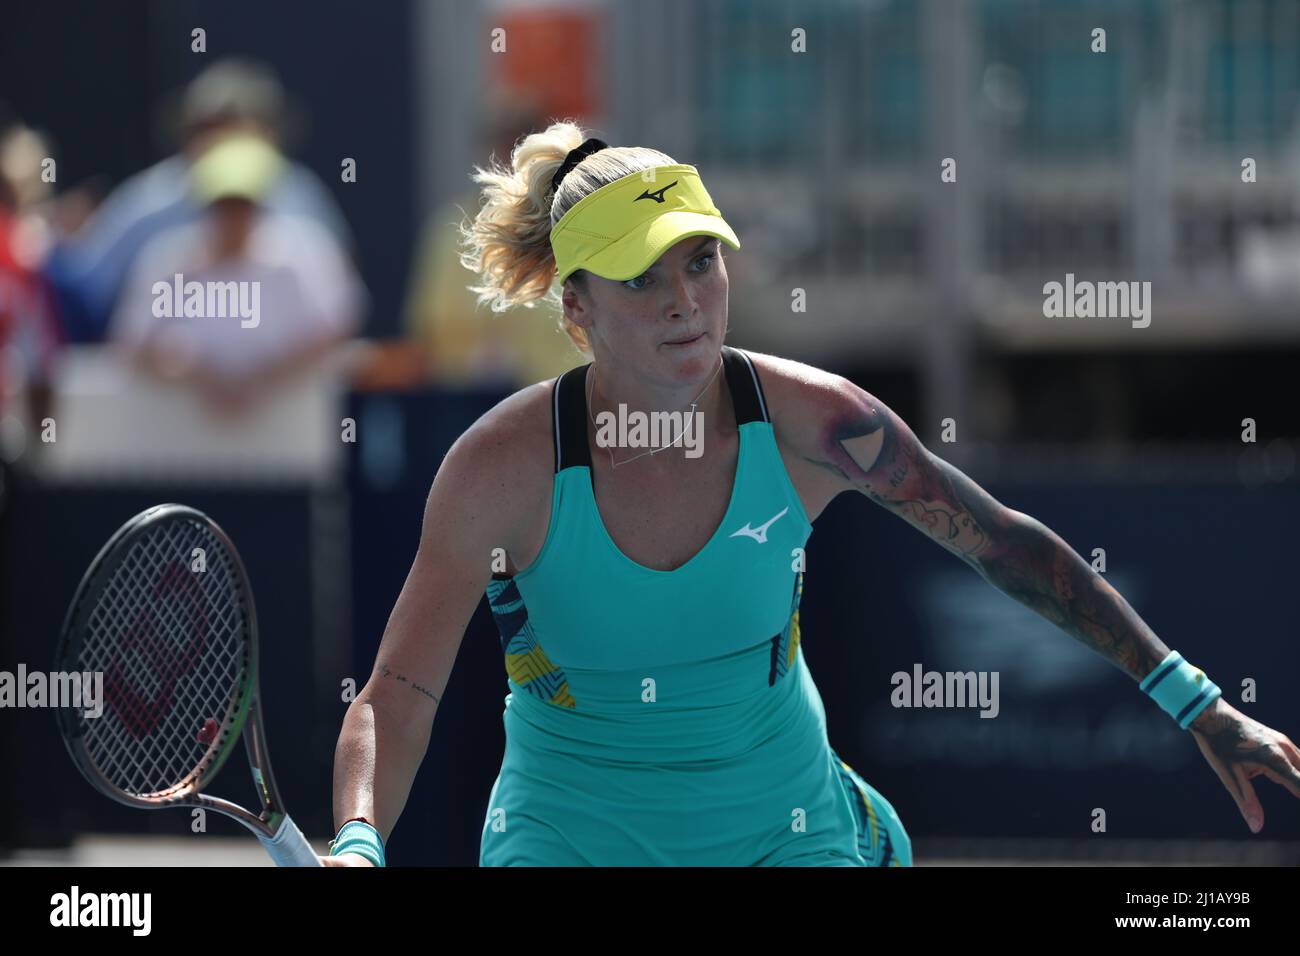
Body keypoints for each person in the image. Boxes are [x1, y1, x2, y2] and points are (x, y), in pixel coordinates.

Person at [323, 121, 1300, 867]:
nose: (684, 300)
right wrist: (361, 839)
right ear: (574, 309)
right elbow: (398, 693)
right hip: (567, 839)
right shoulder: (498, 466)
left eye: (700, 259)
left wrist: (1196, 702)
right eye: (639, 276)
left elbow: (1005, 546)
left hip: (786, 833)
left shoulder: (820, 423)